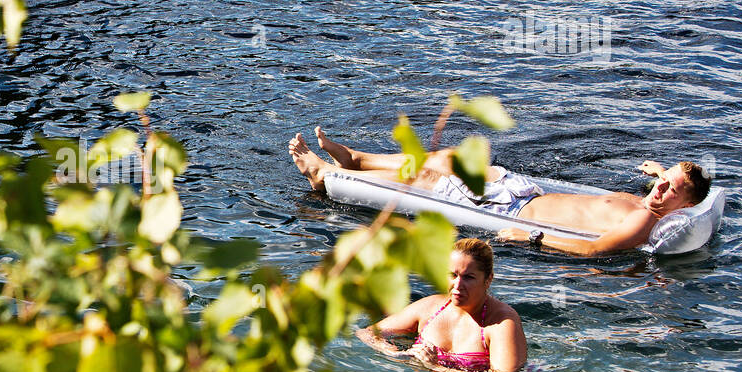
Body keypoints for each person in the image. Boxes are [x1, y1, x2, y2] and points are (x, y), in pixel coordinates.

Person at [289, 127, 711, 256]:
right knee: (454, 160)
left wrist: (534, 237)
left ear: (686, 205)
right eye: (662, 181)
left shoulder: (643, 220)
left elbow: (595, 250)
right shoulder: (652, 199)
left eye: (672, 190)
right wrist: (659, 171)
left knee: (435, 180)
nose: (661, 189)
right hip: (523, 193)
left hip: (516, 215)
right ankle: (357, 157)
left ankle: (326, 176)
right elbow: (665, 183)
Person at [356, 238, 527, 372]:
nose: (457, 285)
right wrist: (395, 353)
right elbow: (367, 333)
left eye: (469, 277)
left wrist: (436, 367)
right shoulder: (430, 307)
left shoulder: (502, 322)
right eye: (452, 275)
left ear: (488, 279)